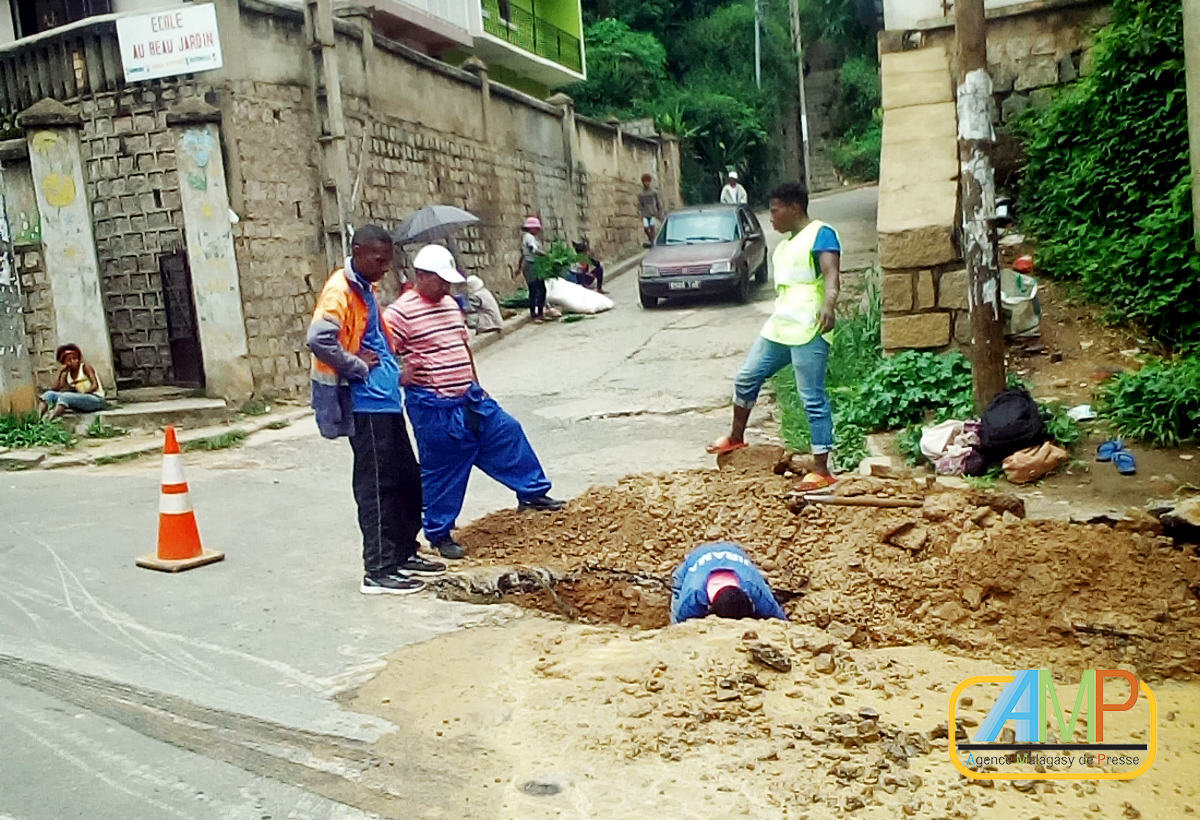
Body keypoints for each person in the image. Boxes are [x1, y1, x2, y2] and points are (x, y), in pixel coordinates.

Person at [384, 244, 565, 560]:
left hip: (469, 397)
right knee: (443, 468)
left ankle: (532, 492)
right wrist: (400, 376)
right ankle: (440, 533)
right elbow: (380, 355)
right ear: (421, 276)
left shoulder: (450, 305)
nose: (446, 286)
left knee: (506, 432)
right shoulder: (399, 314)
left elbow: (463, 347)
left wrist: (476, 384)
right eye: (440, 280)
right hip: (434, 406)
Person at [306, 224, 443, 596]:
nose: (385, 268)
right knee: (378, 487)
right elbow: (318, 338)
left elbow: (376, 340)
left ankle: (403, 552)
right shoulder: (340, 290)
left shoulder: (365, 289)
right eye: (379, 260)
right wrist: (356, 366)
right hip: (366, 407)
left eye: (388, 261)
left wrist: (395, 375)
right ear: (359, 252)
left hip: (386, 402)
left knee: (406, 479)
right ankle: (379, 569)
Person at [707, 182, 842, 493]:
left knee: (812, 398)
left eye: (775, 210)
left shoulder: (821, 234)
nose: (771, 217)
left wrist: (829, 304)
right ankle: (736, 438)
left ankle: (822, 470)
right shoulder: (782, 248)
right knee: (746, 377)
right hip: (780, 327)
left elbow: (832, 274)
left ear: (794, 208)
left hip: (810, 328)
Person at [670, 542, 787, 624]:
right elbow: (681, 627)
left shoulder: (755, 589)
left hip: (735, 552)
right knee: (677, 619)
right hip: (696, 558)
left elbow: (779, 621)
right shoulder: (692, 598)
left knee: (763, 591)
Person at [39, 343, 106, 419]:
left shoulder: (85, 367)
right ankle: (38, 418)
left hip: (96, 399)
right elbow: (57, 389)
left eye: (75, 359)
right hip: (80, 399)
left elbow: (95, 385)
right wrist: (61, 373)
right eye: (69, 360)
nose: (73, 361)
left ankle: (50, 419)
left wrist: (82, 394)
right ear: (64, 363)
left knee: (66, 397)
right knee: (48, 394)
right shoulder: (67, 374)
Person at [520, 215, 548, 323]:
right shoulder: (529, 237)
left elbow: (522, 253)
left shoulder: (529, 237)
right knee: (537, 289)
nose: (537, 230)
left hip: (533, 264)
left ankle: (538, 312)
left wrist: (519, 267)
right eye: (536, 228)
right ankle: (536, 313)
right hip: (531, 265)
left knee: (538, 289)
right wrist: (546, 255)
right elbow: (534, 250)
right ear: (531, 228)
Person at [637, 173, 664, 247]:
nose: (646, 183)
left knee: (652, 227)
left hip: (653, 212)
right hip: (645, 213)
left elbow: (658, 202)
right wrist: (640, 212)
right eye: (645, 181)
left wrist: (659, 212)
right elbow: (640, 204)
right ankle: (651, 239)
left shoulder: (654, 192)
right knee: (646, 228)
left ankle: (652, 242)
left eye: (647, 181)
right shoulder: (641, 193)